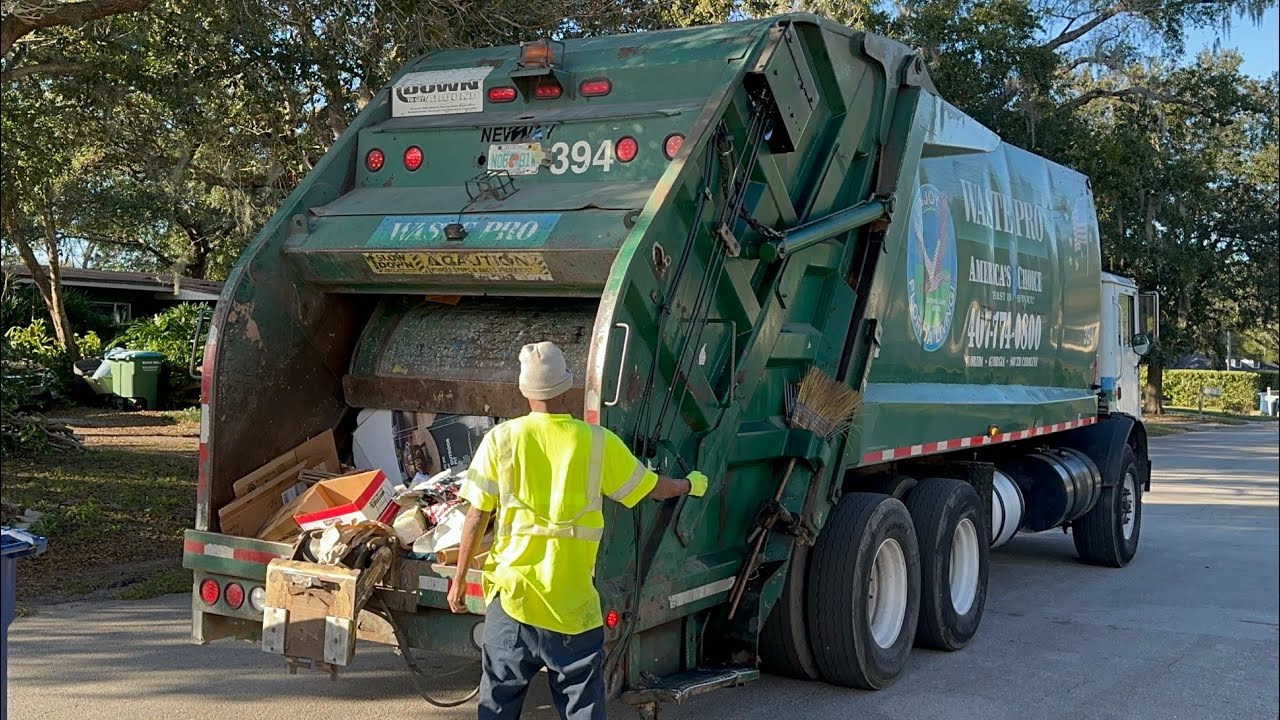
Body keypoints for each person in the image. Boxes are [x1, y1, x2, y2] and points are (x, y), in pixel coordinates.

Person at [449, 340, 708, 720]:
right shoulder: (597, 443)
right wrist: (688, 485)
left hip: (513, 600)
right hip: (571, 605)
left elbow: (476, 515)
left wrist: (458, 579)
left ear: (523, 390)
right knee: (582, 709)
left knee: (497, 706)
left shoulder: (500, 440)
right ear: (567, 388)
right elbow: (652, 487)